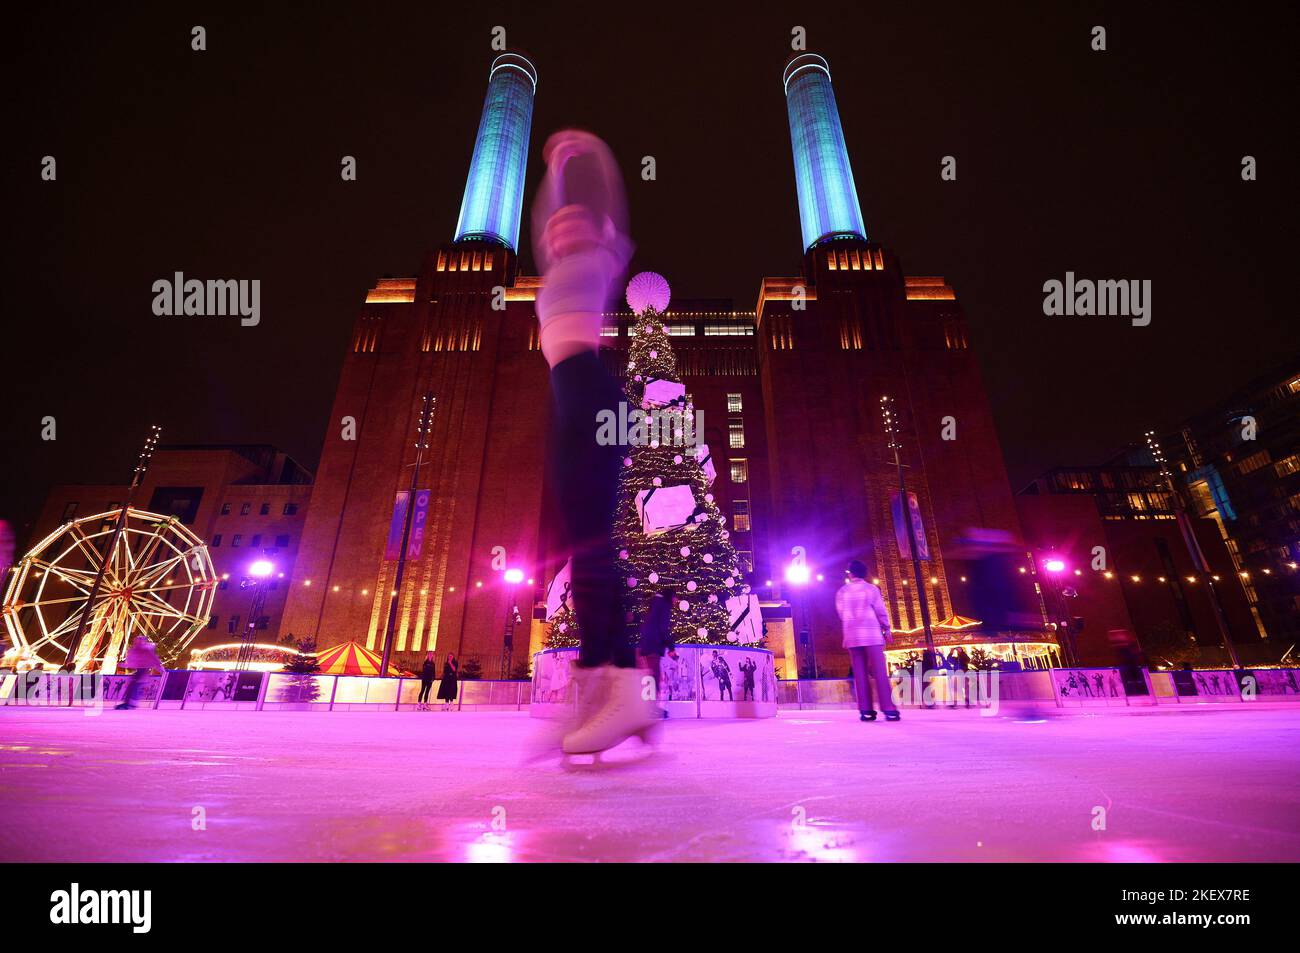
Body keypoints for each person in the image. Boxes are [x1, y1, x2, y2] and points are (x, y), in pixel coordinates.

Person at [531, 129, 657, 755]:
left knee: (591, 543)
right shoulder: (555, 265)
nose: (558, 231)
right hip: (568, 399)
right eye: (555, 228)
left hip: (592, 396)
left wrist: (595, 155)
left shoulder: (600, 258)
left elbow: (610, 197)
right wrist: (554, 169)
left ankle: (602, 684)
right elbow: (539, 220)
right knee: (589, 542)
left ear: (596, 231)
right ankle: (620, 691)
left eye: (571, 223)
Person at [835, 560, 900, 722]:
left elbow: (842, 613)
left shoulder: (842, 592)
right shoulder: (871, 589)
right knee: (880, 673)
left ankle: (866, 710)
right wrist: (886, 628)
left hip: (852, 635)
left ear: (851, 573)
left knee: (860, 674)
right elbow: (880, 610)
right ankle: (889, 709)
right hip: (871, 634)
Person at [638, 589, 674, 716]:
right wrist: (671, 647)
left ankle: (649, 707)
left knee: (650, 676)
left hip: (648, 644)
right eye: (675, 598)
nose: (676, 601)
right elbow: (663, 628)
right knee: (653, 677)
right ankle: (650, 708)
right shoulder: (664, 606)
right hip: (654, 645)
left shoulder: (655, 604)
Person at [115, 634, 163, 710]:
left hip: (143, 672)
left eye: (139, 641)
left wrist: (162, 671)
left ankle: (131, 704)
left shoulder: (146, 650)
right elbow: (134, 663)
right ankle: (129, 703)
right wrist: (124, 665)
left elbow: (154, 661)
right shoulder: (136, 650)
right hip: (140, 672)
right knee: (132, 686)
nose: (136, 642)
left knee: (134, 687)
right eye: (136, 641)